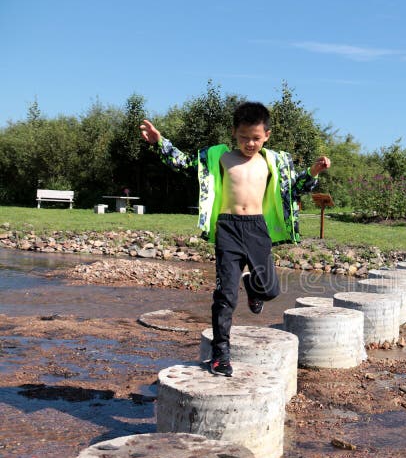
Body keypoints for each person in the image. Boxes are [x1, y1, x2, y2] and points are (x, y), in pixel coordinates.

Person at [140, 101, 331, 377]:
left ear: (266, 136)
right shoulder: (219, 157)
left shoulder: (273, 162)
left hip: (257, 229)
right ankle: (221, 354)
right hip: (228, 228)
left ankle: (252, 286)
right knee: (225, 296)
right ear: (234, 133)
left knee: (271, 290)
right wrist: (160, 143)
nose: (249, 143)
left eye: (255, 138)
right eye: (243, 137)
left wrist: (314, 171)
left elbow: (294, 187)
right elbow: (184, 164)